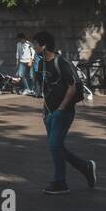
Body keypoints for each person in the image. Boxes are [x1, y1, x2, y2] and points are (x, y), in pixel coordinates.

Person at [35, 31, 97, 195]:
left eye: (36, 44)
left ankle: (60, 182)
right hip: (49, 113)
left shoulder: (61, 62)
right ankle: (84, 167)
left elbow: (72, 86)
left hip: (63, 113)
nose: (34, 47)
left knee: (55, 146)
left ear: (44, 46)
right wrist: (44, 112)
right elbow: (46, 89)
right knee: (56, 148)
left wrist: (61, 109)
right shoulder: (41, 64)